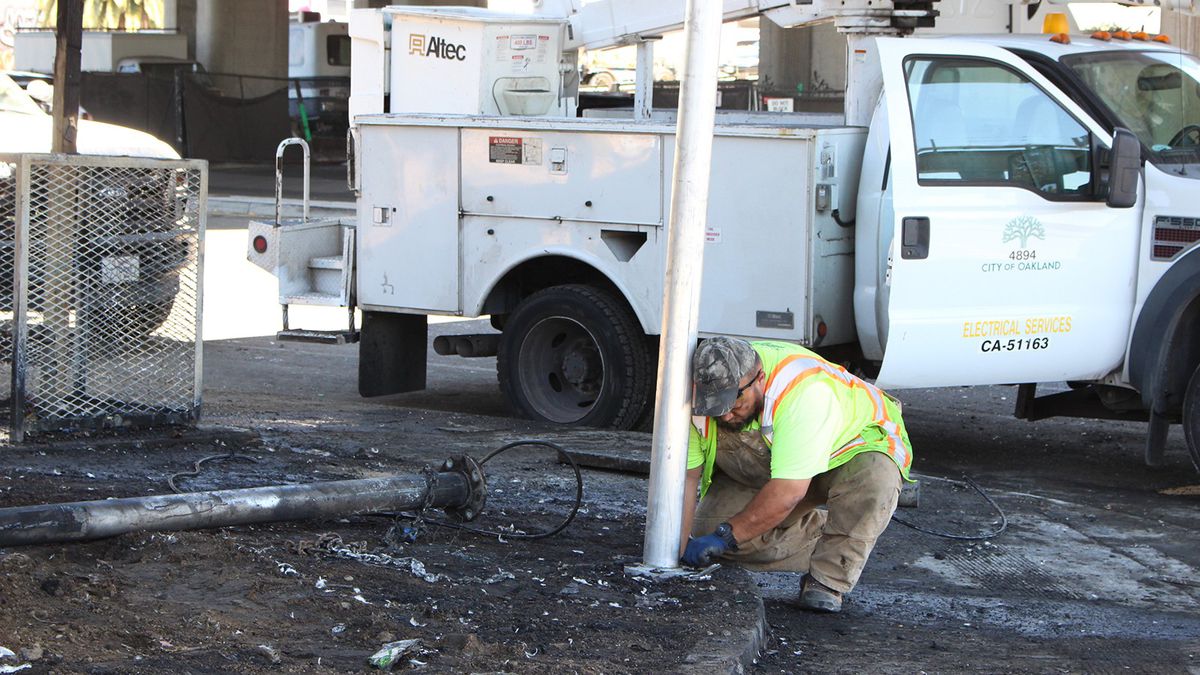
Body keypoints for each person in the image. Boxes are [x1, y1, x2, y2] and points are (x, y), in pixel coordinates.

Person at [679, 337, 914, 613]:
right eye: (717, 407)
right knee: (710, 528)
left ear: (759, 378)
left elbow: (788, 491)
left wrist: (725, 535)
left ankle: (830, 573)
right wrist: (676, 552)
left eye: (734, 403)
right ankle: (838, 528)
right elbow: (685, 481)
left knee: (873, 479)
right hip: (779, 460)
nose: (727, 416)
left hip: (850, 450)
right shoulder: (699, 398)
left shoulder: (804, 392)